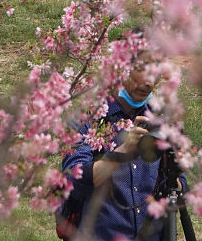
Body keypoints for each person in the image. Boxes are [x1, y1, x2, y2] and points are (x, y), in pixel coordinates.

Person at [59, 61, 175, 240]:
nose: (149, 83)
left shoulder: (159, 116)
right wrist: (123, 151)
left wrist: (177, 171)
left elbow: (178, 186)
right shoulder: (87, 117)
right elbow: (72, 181)